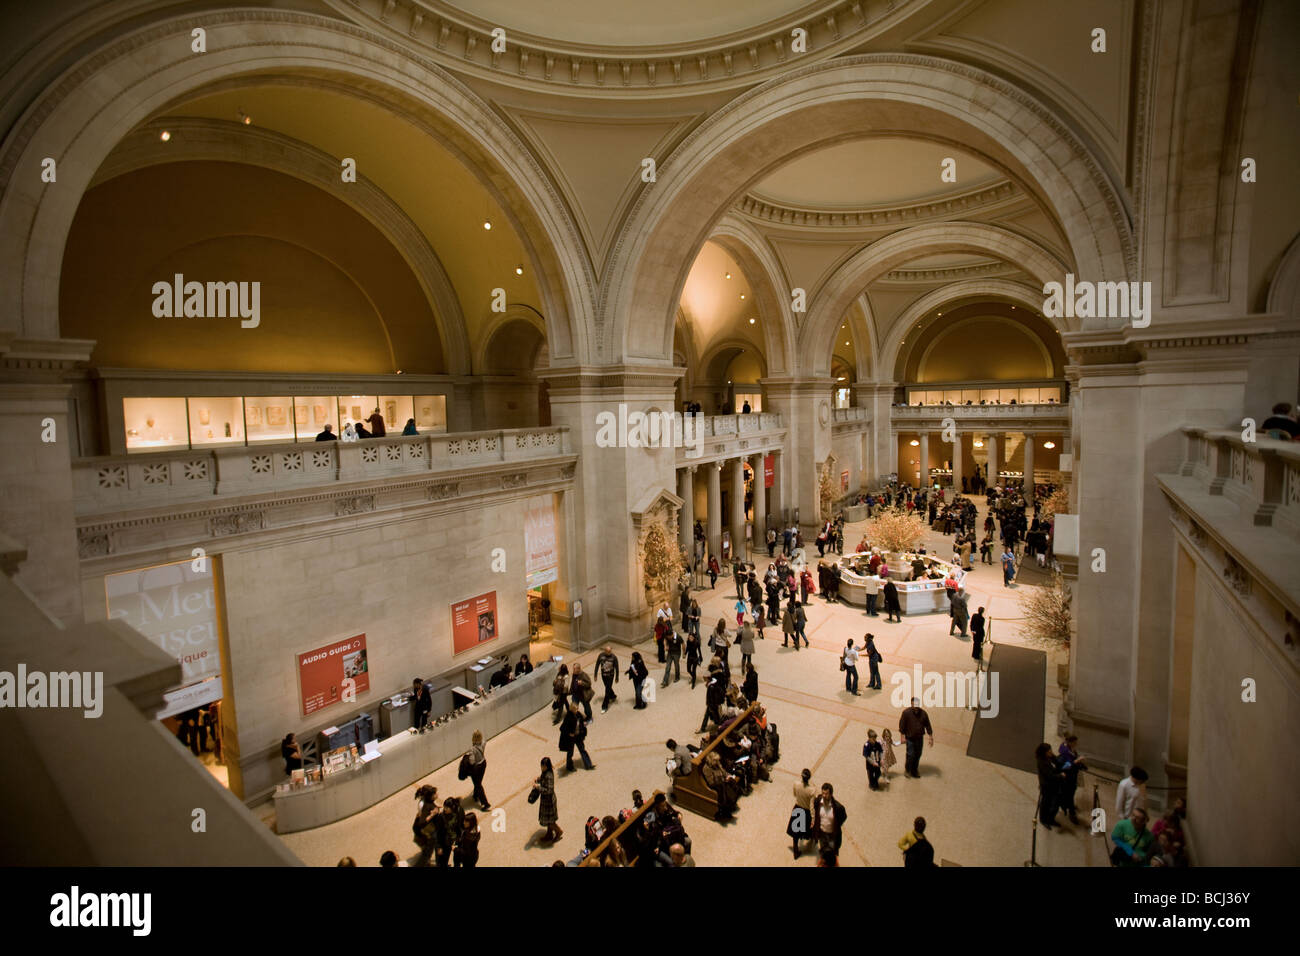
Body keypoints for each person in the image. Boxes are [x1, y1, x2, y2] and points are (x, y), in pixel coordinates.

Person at [811, 782, 847, 863]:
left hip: (832, 835)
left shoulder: (838, 807)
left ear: (831, 794)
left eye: (826, 794)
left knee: (832, 854)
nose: (824, 795)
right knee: (823, 851)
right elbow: (814, 809)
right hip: (822, 833)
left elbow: (843, 817)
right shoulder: (818, 802)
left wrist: (836, 825)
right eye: (823, 793)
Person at [899, 697, 934, 778]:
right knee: (910, 754)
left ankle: (914, 770)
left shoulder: (923, 714)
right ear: (911, 704)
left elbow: (928, 725)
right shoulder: (906, 713)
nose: (916, 706)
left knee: (918, 754)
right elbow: (902, 726)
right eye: (914, 705)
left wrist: (931, 737)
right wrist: (902, 737)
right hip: (910, 738)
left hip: (919, 738)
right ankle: (907, 770)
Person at [1056, 735, 1086, 824]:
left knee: (1070, 794)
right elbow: (1066, 766)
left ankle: (1067, 805)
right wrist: (1076, 761)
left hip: (1072, 776)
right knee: (1069, 794)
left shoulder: (1069, 749)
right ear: (1070, 742)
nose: (1076, 744)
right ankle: (1071, 812)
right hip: (1068, 778)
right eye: (1075, 742)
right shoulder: (1066, 752)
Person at [1035, 742, 1065, 829]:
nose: (1051, 752)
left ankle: (1051, 819)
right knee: (1046, 803)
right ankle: (1043, 819)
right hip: (1047, 785)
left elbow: (1057, 763)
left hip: (1054, 784)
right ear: (1044, 752)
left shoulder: (1049, 757)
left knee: (1053, 803)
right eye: (1049, 751)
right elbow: (1049, 776)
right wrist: (1061, 776)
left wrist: (1053, 756)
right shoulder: (1041, 762)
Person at [788, 768, 816, 858]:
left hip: (797, 808)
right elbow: (812, 807)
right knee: (807, 830)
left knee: (795, 833)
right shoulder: (812, 790)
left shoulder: (796, 784)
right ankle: (812, 839)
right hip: (806, 811)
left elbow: (794, 795)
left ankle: (796, 852)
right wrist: (813, 818)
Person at [559, 702, 594, 771]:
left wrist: (586, 722)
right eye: (575, 709)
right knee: (570, 753)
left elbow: (582, 721)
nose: (577, 710)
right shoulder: (568, 717)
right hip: (571, 738)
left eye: (577, 708)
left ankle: (589, 765)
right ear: (572, 709)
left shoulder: (578, 714)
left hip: (578, 736)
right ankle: (569, 767)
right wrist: (569, 733)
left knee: (582, 750)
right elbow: (562, 728)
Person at [412, 784, 439, 865]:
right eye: (434, 793)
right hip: (427, 830)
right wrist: (432, 814)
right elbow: (422, 821)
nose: (437, 794)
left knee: (434, 847)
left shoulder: (426, 802)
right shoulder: (424, 805)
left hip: (428, 829)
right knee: (428, 851)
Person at [536, 757, 562, 842]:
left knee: (550, 821)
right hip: (545, 801)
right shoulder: (545, 772)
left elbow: (549, 790)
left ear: (546, 766)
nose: (541, 767)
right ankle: (549, 834)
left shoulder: (549, 775)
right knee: (548, 820)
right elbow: (542, 778)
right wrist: (538, 779)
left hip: (549, 801)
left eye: (543, 766)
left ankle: (559, 831)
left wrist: (538, 788)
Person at [466, 730, 489, 810]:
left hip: (476, 767)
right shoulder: (483, 743)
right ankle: (476, 795)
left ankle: (485, 803)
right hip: (483, 763)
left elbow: (472, 761)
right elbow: (484, 741)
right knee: (478, 781)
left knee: (478, 784)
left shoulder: (472, 749)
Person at [595, 646, 619, 711]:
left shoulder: (614, 657)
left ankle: (604, 706)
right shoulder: (601, 656)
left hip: (610, 676)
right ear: (605, 651)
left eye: (610, 651)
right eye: (608, 651)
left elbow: (617, 668)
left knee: (607, 690)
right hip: (603, 675)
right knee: (607, 687)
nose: (609, 653)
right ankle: (613, 696)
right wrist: (595, 675)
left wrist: (617, 677)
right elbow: (597, 665)